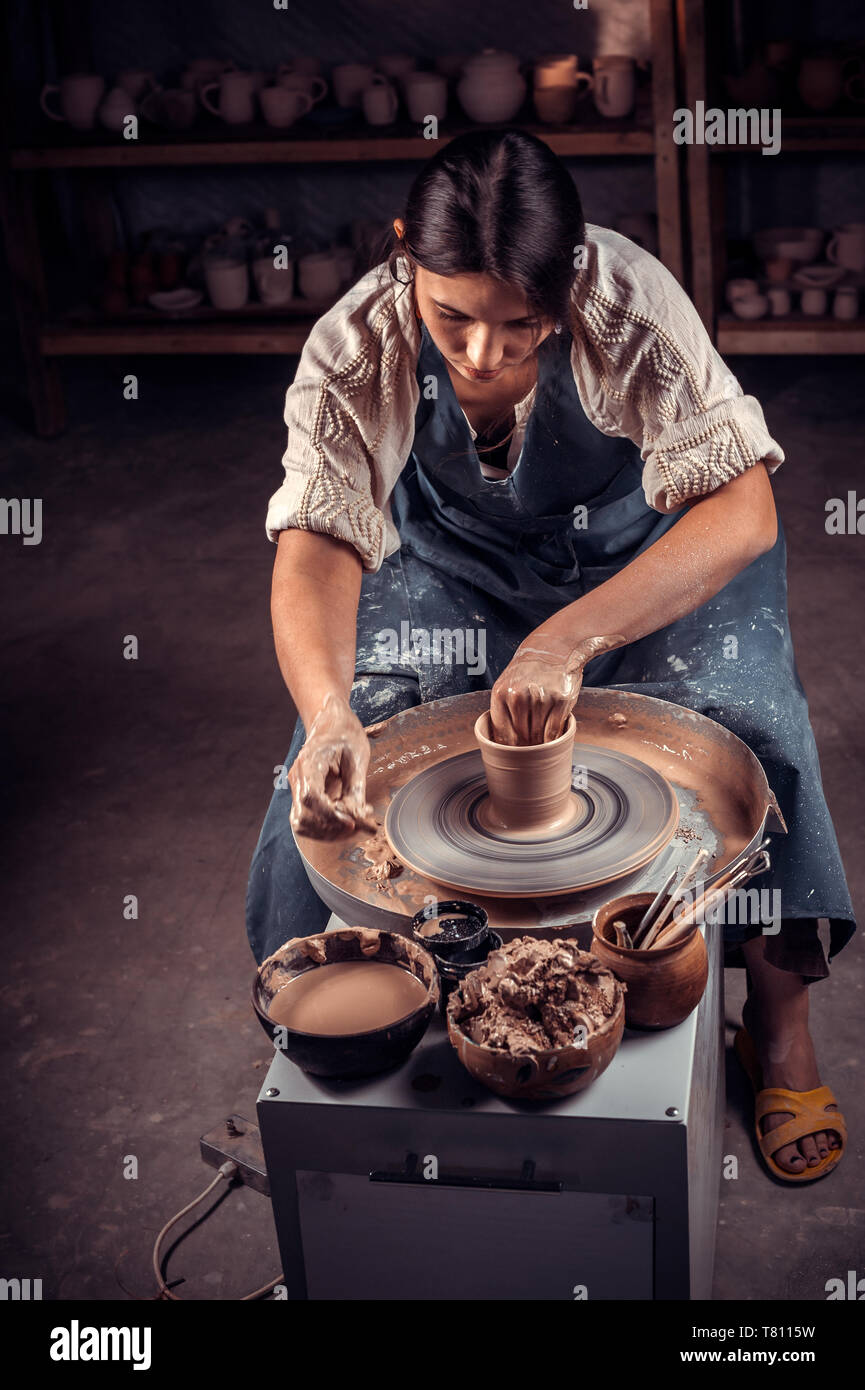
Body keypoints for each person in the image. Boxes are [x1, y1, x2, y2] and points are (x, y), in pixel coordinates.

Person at [247, 129, 852, 1182]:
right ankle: (393, 1005)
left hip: (653, 546)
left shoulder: (629, 305)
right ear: (403, 256)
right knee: (350, 748)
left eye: (520, 323)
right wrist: (330, 709)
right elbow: (316, 540)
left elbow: (743, 505)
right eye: (453, 317)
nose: (481, 353)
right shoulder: (357, 343)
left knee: (748, 727)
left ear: (566, 281)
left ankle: (779, 1022)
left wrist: (570, 637)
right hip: (457, 556)